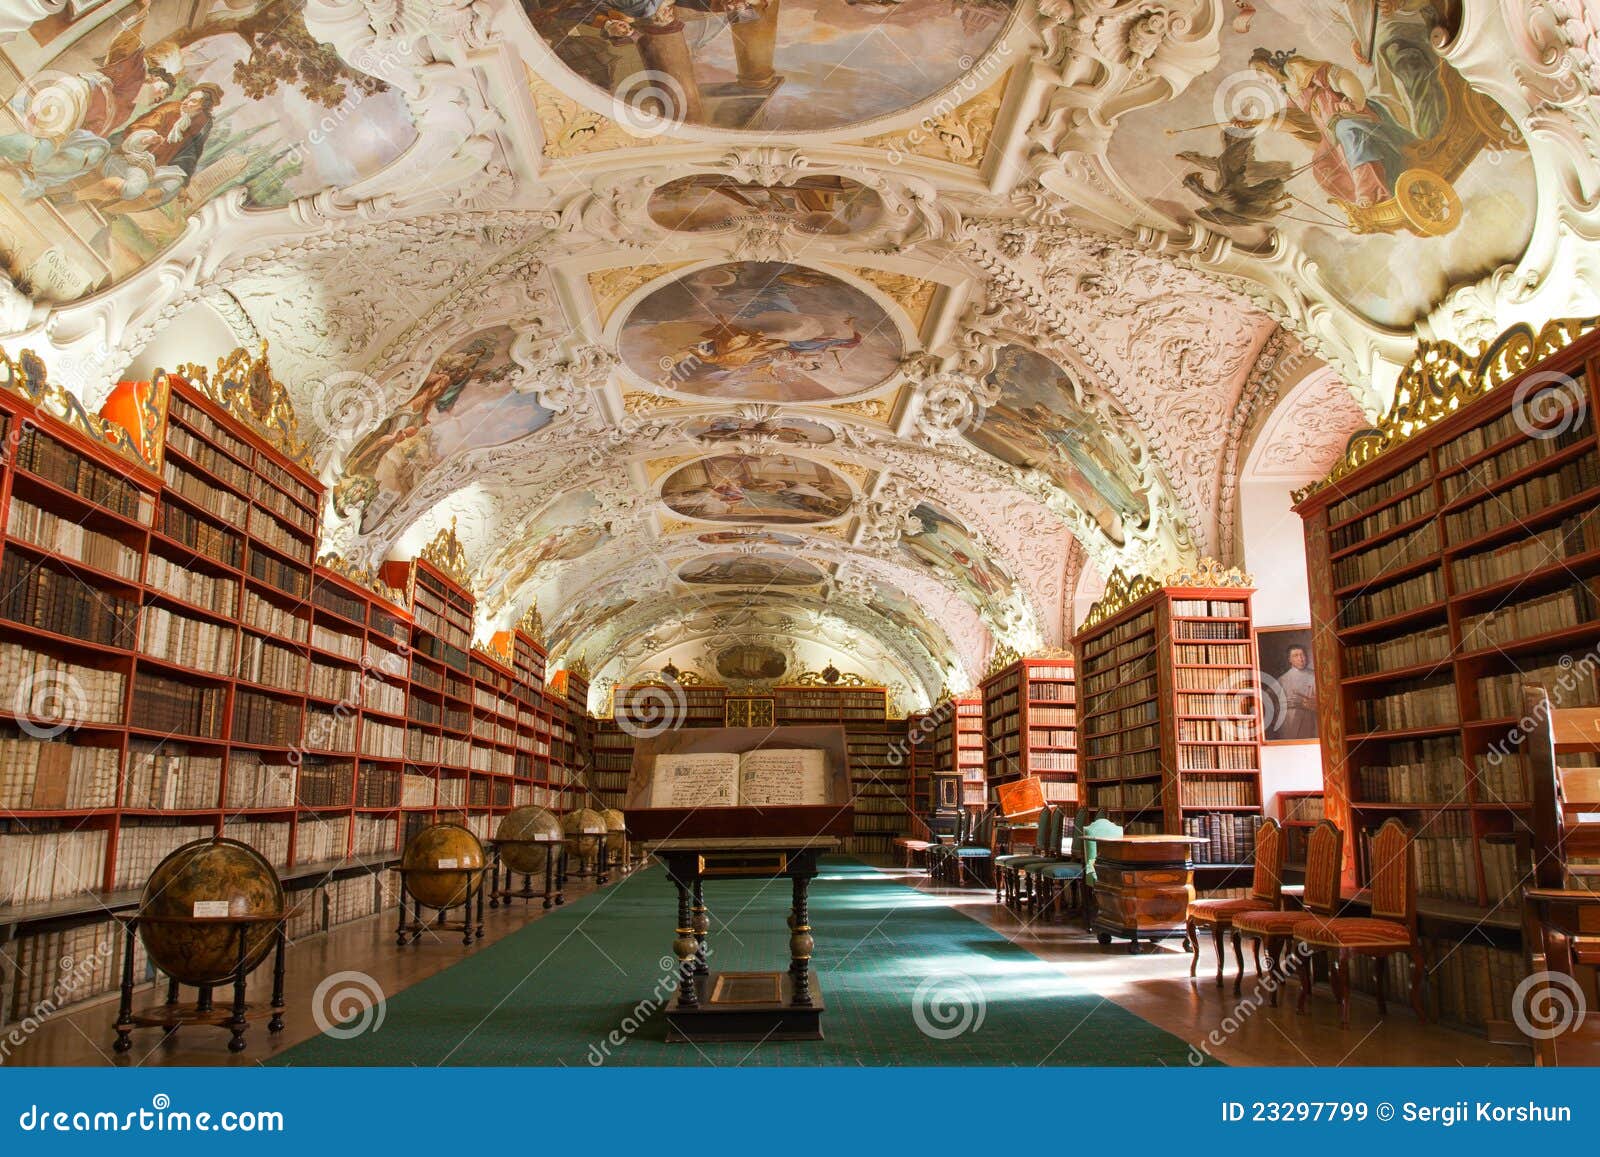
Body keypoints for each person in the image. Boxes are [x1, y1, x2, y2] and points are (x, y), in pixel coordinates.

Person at [1274, 644, 1318, 740]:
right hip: (1289, 725)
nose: (1301, 659)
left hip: (1310, 721)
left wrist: (1303, 703)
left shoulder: (1315, 676)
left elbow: (1323, 703)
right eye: (1296, 656)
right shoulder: (1282, 680)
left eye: (1302, 655)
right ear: (1289, 659)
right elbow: (1273, 705)